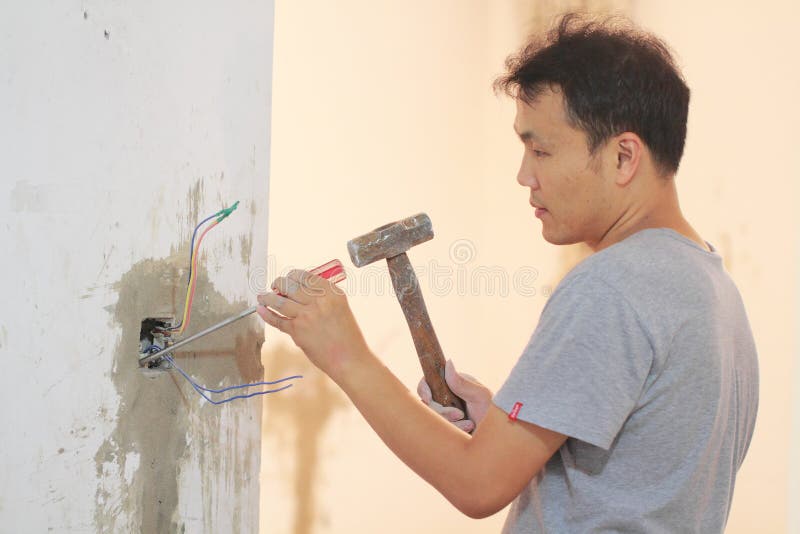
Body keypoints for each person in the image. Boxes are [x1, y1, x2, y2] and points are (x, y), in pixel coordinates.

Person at [256, 13, 758, 533]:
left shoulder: (612, 287)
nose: (525, 176)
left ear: (623, 156)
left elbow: (478, 486)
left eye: (541, 150)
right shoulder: (714, 287)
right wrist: (509, 427)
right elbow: (642, 477)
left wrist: (347, 357)